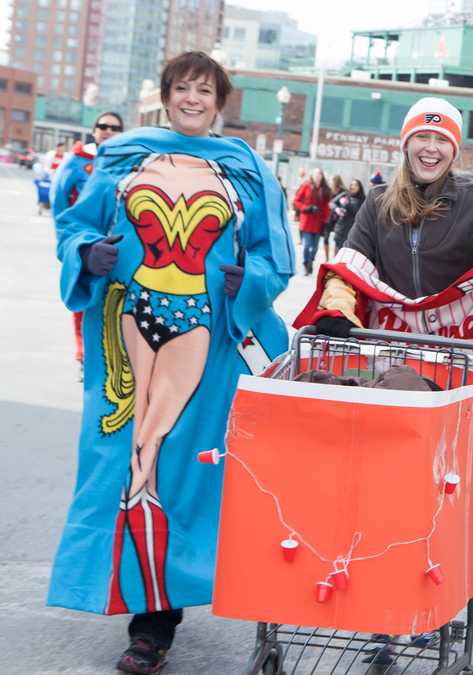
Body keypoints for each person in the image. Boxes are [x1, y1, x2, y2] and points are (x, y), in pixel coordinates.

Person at [50, 51, 294, 675]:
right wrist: (87, 252)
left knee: (181, 465)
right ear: (165, 95)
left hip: (208, 341)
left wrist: (253, 279)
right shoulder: (124, 158)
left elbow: (276, 257)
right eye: (182, 87)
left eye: (204, 90)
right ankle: (147, 618)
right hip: (126, 327)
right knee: (131, 456)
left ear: (220, 101)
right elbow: (73, 226)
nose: (192, 98)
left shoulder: (244, 170)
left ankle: (162, 610)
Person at [295, 95, 473, 355]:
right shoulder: (378, 201)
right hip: (391, 348)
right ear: (406, 144)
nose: (431, 148)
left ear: (454, 151)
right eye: (422, 136)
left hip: (467, 352)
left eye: (442, 139)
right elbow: (349, 268)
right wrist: (338, 309)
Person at [51, 111, 125, 381]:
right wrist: (72, 245)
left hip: (117, 251)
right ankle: (84, 355)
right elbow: (60, 202)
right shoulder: (77, 162)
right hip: (86, 247)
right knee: (85, 302)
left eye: (114, 127)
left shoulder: (128, 163)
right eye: (102, 126)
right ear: (94, 130)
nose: (107, 130)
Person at [293, 167, 331, 275]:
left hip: (318, 222)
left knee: (314, 248)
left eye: (320, 174)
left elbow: (326, 206)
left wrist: (325, 217)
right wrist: (306, 208)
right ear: (312, 176)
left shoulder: (325, 189)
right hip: (307, 221)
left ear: (322, 176)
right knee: (306, 246)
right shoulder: (306, 186)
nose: (318, 176)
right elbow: (296, 201)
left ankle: (310, 261)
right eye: (316, 174)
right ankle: (306, 263)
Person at [331, 178, 366, 251]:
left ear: (360, 187)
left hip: (352, 233)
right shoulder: (345, 195)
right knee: (337, 255)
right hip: (340, 230)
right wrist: (337, 209)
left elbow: (358, 213)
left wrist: (347, 204)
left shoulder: (363, 199)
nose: (353, 187)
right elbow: (331, 203)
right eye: (352, 185)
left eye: (356, 185)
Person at [323, 174, 346, 262]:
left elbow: (345, 203)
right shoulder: (328, 190)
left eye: (331, 180)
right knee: (326, 238)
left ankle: (335, 258)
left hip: (338, 218)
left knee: (337, 239)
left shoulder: (343, 191)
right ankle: (326, 259)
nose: (330, 182)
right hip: (328, 217)